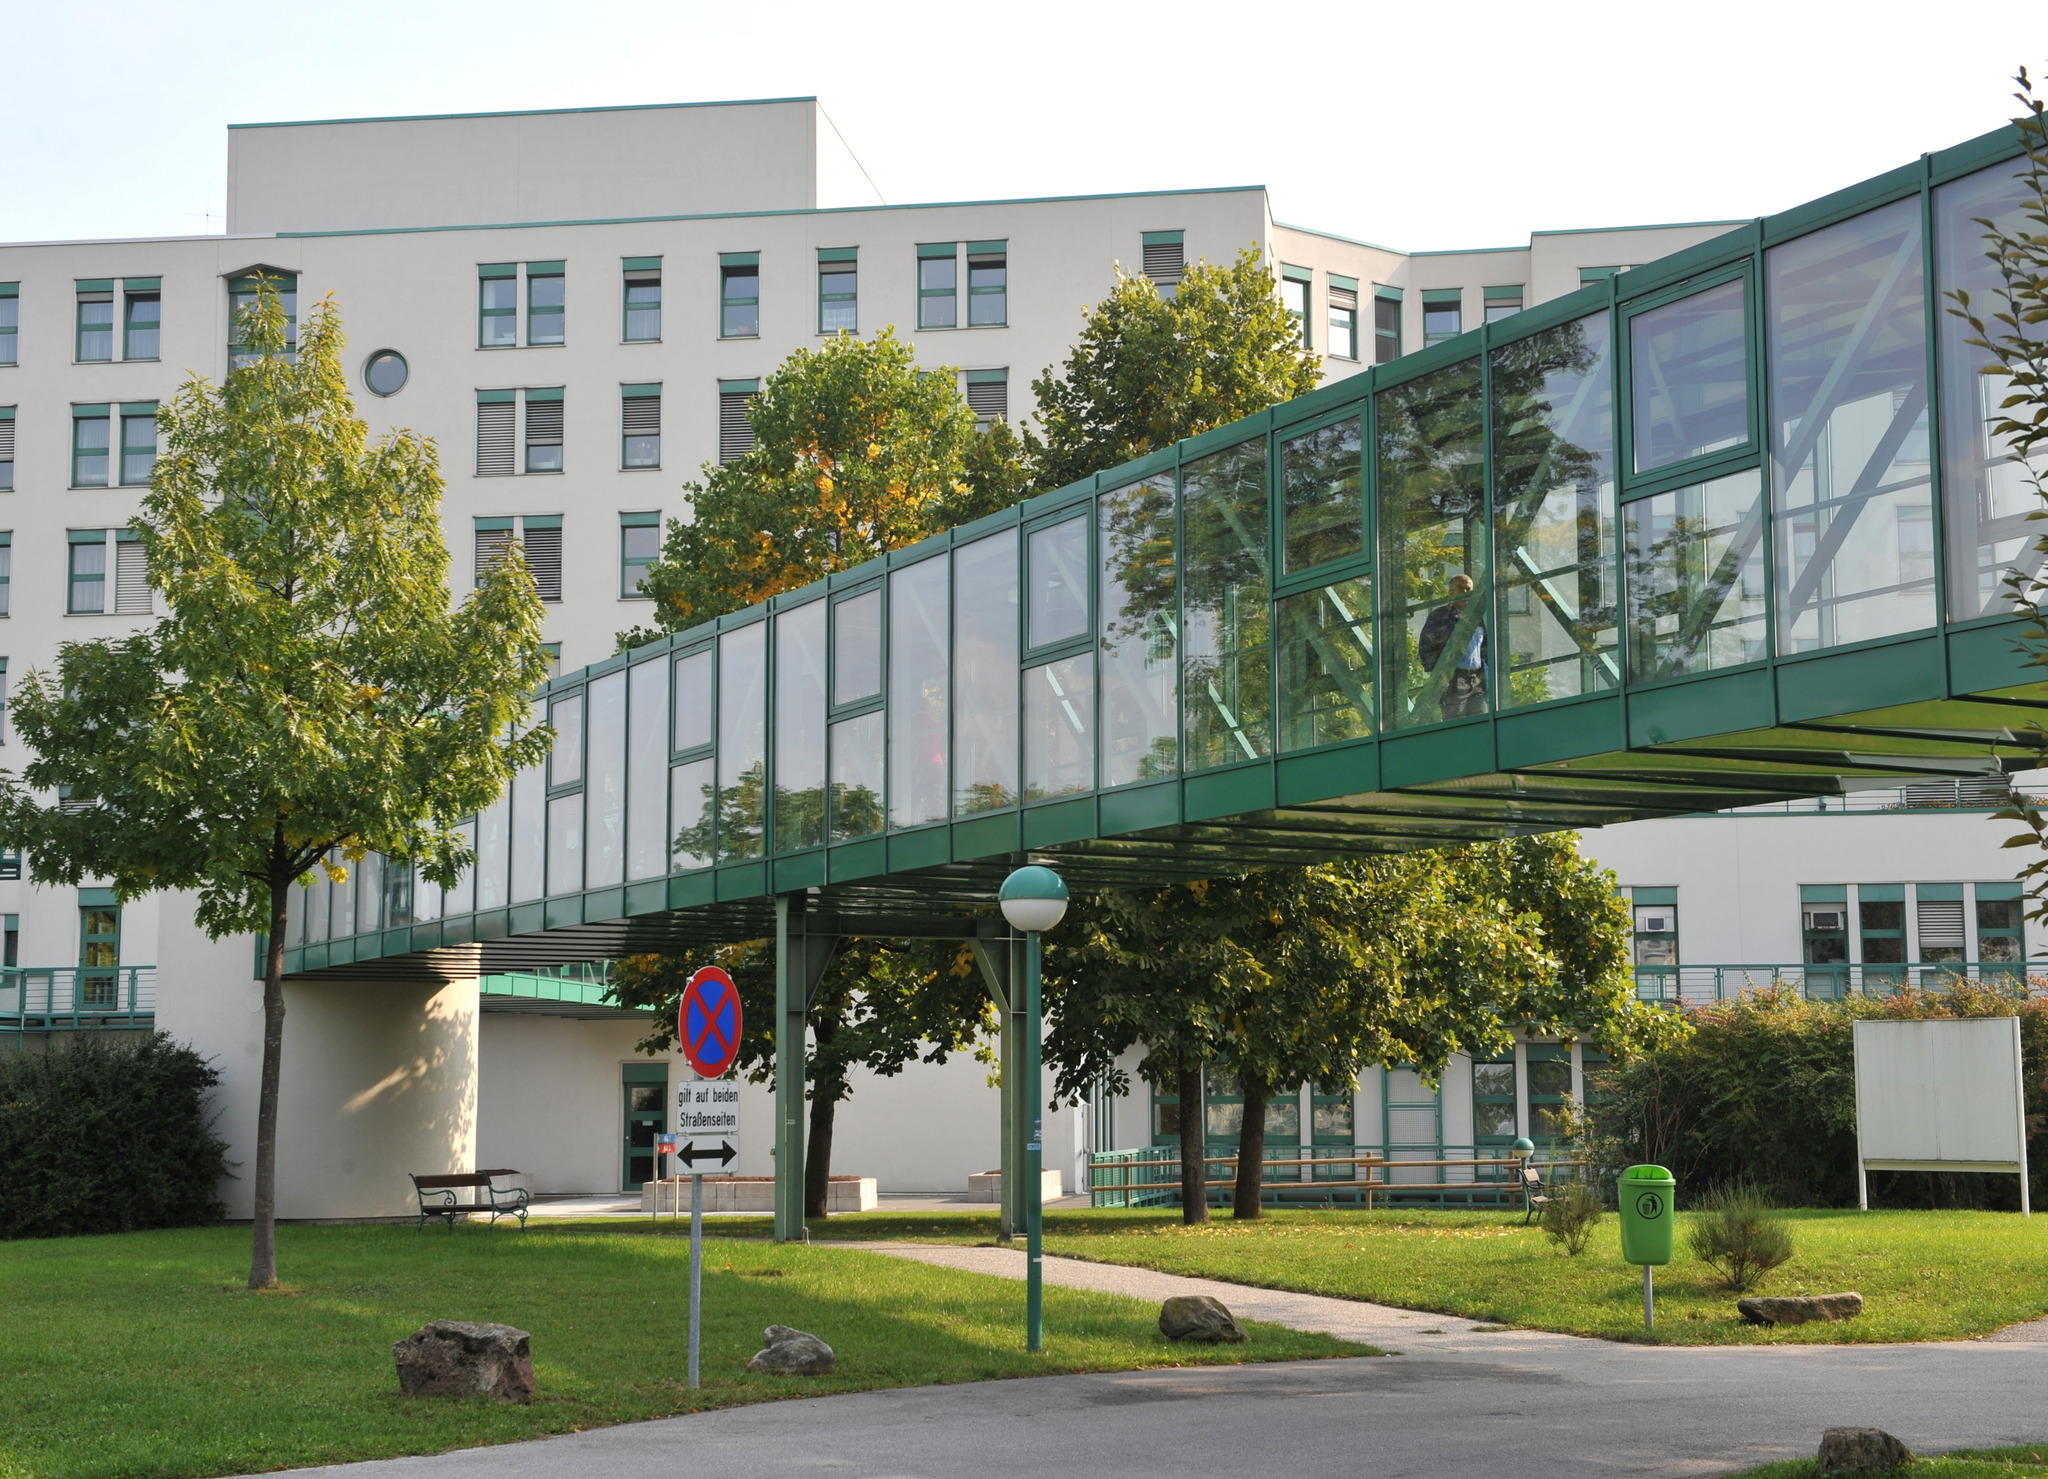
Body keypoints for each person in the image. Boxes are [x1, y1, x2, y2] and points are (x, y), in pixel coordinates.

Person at [1415, 573, 1486, 719]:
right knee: (1455, 721)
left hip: (1477, 678)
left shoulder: (1478, 618)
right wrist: (1440, 673)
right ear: (1451, 593)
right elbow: (1426, 646)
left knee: (1482, 721)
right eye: (1461, 588)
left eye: (1469, 589)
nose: (1466, 592)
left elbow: (1485, 648)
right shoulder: (1441, 616)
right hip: (1454, 679)